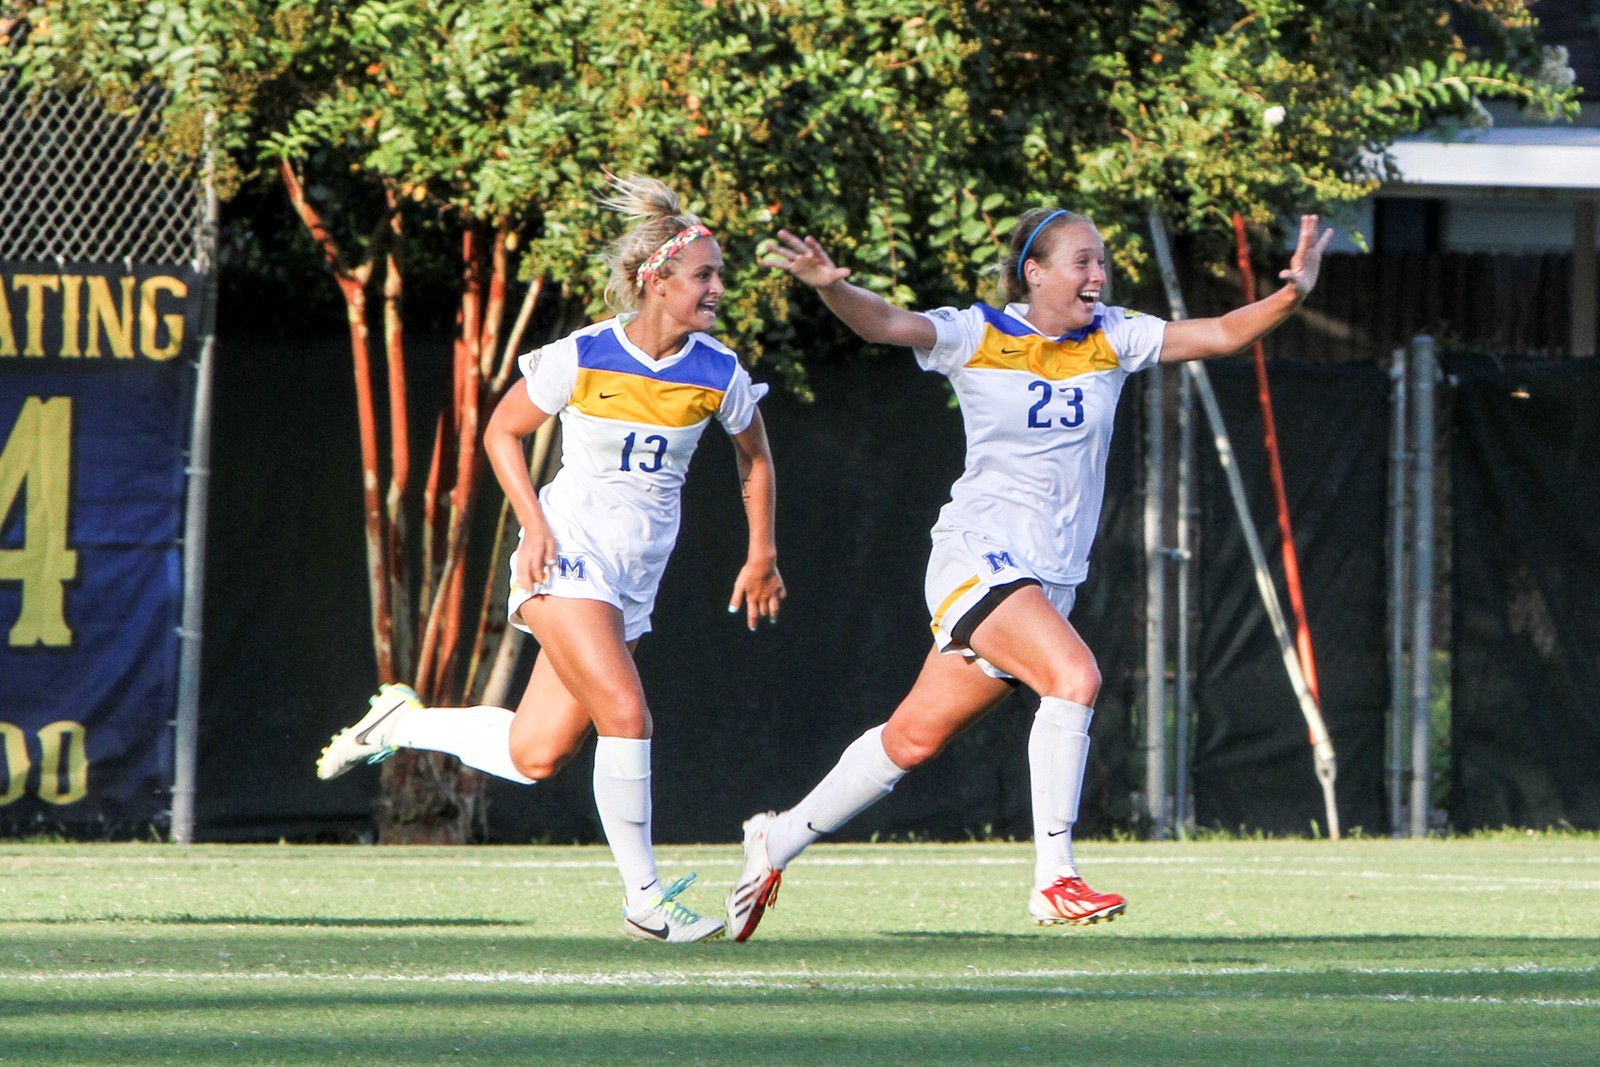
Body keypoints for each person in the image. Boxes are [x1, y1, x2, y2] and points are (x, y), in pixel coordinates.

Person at [726, 209, 1332, 941]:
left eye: (1101, 262)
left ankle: (776, 839)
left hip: (1045, 580)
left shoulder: (1113, 334)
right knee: (1074, 676)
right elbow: (886, 323)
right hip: (977, 557)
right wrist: (830, 288)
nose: (1098, 275)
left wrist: (1291, 294)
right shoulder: (977, 333)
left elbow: (1224, 332)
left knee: (912, 739)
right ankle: (1054, 877)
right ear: (1033, 273)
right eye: (1082, 262)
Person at [317, 174, 786, 944]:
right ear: (654, 280)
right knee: (627, 714)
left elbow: (755, 458)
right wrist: (531, 524)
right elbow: (502, 430)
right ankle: (645, 898)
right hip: (566, 560)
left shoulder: (718, 371)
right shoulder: (586, 352)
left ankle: (402, 722)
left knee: (535, 754)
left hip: (632, 580)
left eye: (720, 274)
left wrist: (761, 551)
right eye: (704, 274)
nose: (718, 287)